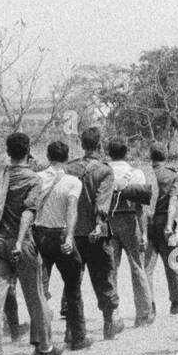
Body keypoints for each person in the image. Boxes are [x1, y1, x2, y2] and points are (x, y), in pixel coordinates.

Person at [0, 132, 60, 355]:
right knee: (35, 296)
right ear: (28, 151)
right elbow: (29, 211)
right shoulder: (33, 179)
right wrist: (19, 241)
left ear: (8, 152)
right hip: (22, 243)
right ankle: (45, 346)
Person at [31, 140, 88, 350]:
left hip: (40, 236)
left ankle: (41, 341)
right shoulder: (73, 181)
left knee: (39, 290)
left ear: (48, 156)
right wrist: (70, 237)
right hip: (62, 236)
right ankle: (76, 337)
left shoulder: (37, 179)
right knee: (73, 287)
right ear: (67, 157)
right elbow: (71, 209)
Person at [67, 127, 122, 340]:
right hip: (95, 234)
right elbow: (102, 203)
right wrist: (99, 224)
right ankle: (109, 324)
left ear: (82, 145)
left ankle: (73, 331)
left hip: (72, 233)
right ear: (99, 145)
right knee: (103, 279)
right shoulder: (105, 171)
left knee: (72, 282)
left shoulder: (69, 169)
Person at [106, 137, 156, 328]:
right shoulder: (136, 174)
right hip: (130, 220)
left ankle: (113, 315)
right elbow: (141, 207)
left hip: (109, 222)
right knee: (137, 266)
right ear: (126, 153)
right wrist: (143, 233)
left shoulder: (104, 172)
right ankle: (143, 314)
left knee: (111, 269)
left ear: (108, 152)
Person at [144, 144, 178, 316]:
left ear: (151, 157)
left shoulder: (145, 175)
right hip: (164, 223)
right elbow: (173, 202)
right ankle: (175, 301)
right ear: (166, 156)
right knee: (172, 261)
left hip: (147, 224)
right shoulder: (171, 175)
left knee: (147, 267)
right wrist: (169, 225)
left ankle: (149, 305)